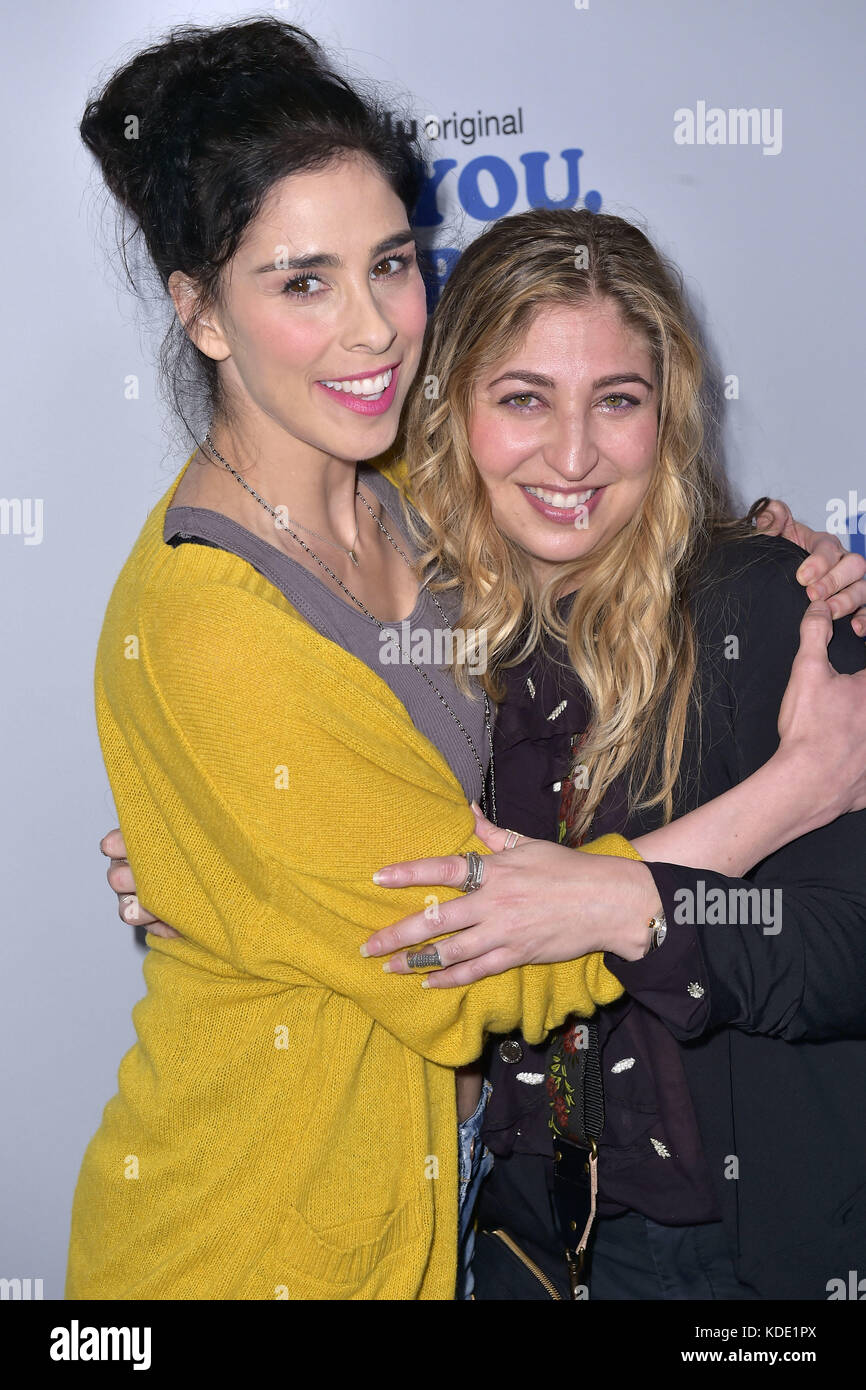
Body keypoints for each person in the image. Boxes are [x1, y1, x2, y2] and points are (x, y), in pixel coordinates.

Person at [86, 22, 866, 1301]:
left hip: (610, 1236)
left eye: (388, 264)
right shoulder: (289, 601)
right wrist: (790, 788)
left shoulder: (432, 508)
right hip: (337, 1237)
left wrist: (771, 561)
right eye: (300, 281)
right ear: (200, 311)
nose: (368, 331)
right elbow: (451, 957)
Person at [356, 207, 866, 1300]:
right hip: (501, 1233)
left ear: (666, 415)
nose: (574, 455)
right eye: (523, 398)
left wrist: (631, 908)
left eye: (616, 401)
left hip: (726, 1254)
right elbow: (381, 918)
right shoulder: (409, 639)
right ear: (452, 413)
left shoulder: (771, 606)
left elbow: (846, 944)